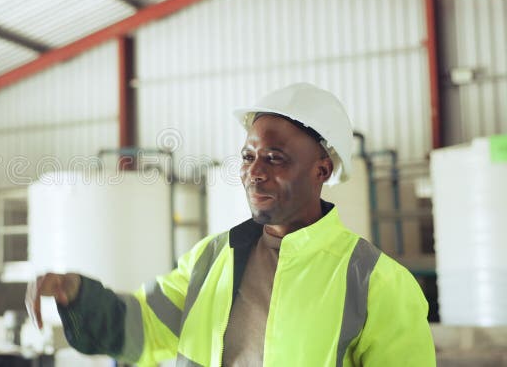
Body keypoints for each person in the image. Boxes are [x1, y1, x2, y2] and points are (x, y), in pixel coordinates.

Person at [26, 83, 436, 366]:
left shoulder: (376, 282)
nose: (254, 173)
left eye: (275, 157)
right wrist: (77, 294)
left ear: (322, 170)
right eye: (247, 156)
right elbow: (143, 328)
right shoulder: (213, 258)